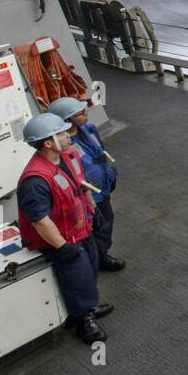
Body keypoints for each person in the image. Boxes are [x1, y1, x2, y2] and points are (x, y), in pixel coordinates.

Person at [16, 113, 113, 344]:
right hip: (62, 238)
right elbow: (40, 220)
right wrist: (61, 246)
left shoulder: (68, 156)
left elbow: (81, 185)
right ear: (48, 143)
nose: (68, 134)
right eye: (61, 132)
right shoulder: (36, 179)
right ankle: (83, 321)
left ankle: (89, 306)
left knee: (90, 267)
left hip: (81, 227)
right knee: (75, 276)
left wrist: (93, 210)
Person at [49, 96, 125, 272]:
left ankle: (102, 253)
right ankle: (99, 259)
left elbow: (100, 153)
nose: (85, 113)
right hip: (87, 195)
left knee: (106, 221)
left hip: (102, 187)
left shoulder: (89, 130)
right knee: (93, 228)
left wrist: (109, 177)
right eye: (80, 112)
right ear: (68, 120)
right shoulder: (64, 146)